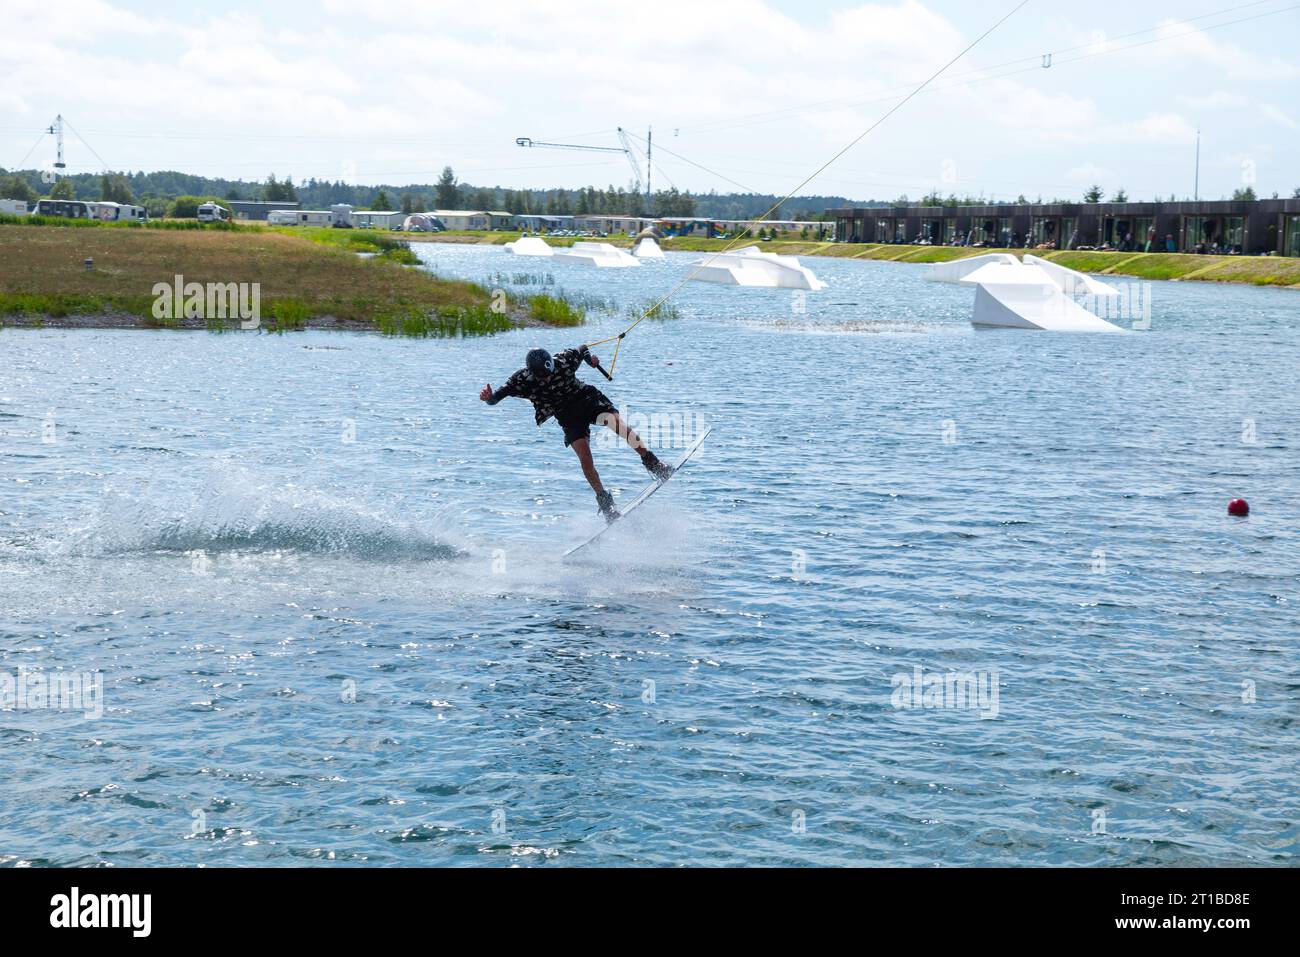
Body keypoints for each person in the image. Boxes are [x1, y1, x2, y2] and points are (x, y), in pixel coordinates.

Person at [480, 345, 673, 522]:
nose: (546, 378)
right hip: (567, 416)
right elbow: (497, 397)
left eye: (548, 374)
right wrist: (489, 398)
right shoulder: (521, 379)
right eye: (541, 376)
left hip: (587, 400)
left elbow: (582, 349)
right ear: (531, 372)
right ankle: (606, 505)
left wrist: (591, 361)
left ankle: (653, 463)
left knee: (619, 425)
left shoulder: (563, 360)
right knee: (585, 458)